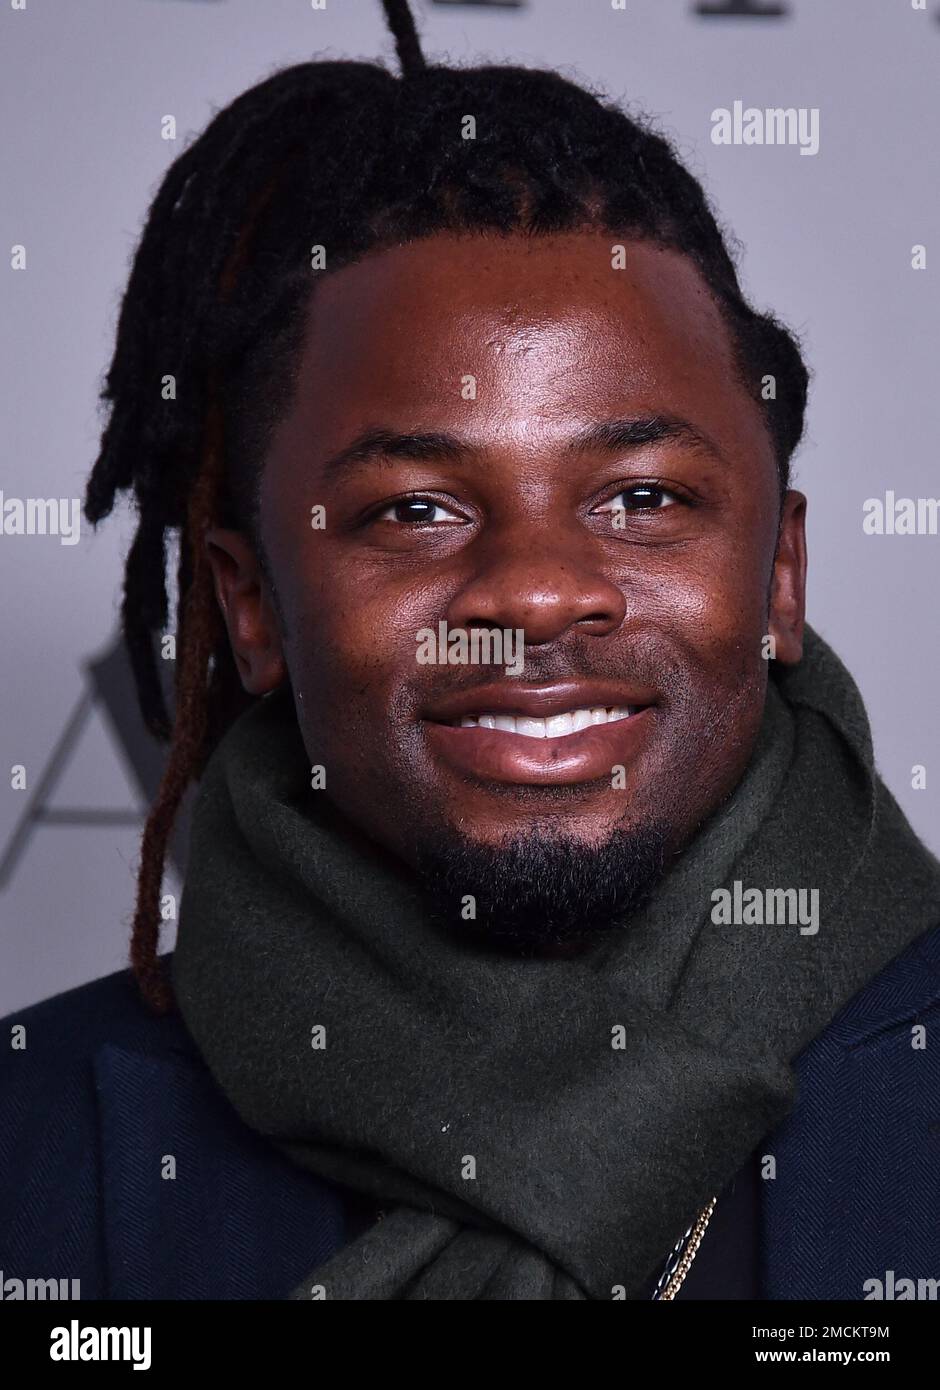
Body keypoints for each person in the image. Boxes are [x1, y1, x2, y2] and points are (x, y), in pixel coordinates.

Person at [2, 0, 938, 1301]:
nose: (541, 593)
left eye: (643, 496)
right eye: (416, 510)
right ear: (254, 607)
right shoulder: (28, 1141)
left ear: (778, 572)